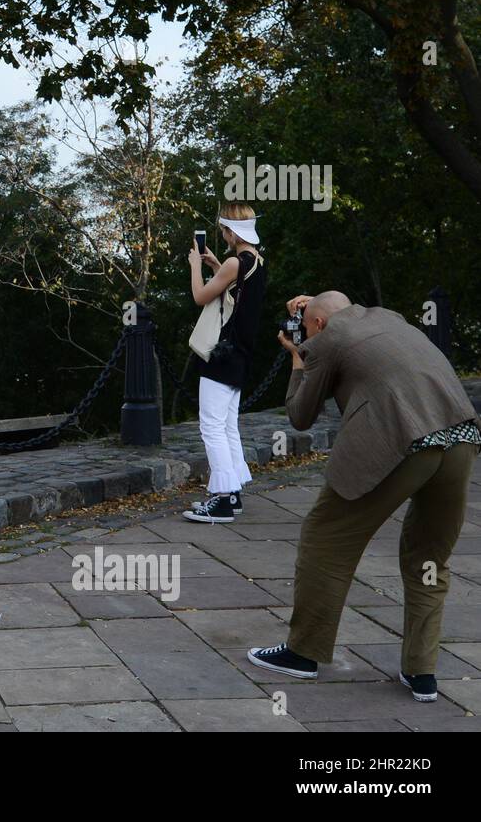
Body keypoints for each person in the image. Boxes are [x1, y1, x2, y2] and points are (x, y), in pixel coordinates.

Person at [247, 292, 480, 703]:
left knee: (326, 537)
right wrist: (315, 308)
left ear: (316, 324)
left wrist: (298, 356)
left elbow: (300, 415)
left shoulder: (326, 337)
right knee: (428, 558)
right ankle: (421, 672)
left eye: (310, 325)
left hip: (404, 438)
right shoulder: (389, 315)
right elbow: (334, 307)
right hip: (461, 437)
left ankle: (302, 653)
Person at [182, 203, 267, 524]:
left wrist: (195, 265)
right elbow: (238, 290)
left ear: (232, 232)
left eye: (223, 231)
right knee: (227, 425)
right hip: (241, 354)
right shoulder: (255, 260)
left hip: (222, 353)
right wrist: (218, 264)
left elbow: (200, 296)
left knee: (211, 427)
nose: (222, 235)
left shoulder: (234, 262)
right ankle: (231, 493)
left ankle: (220, 500)